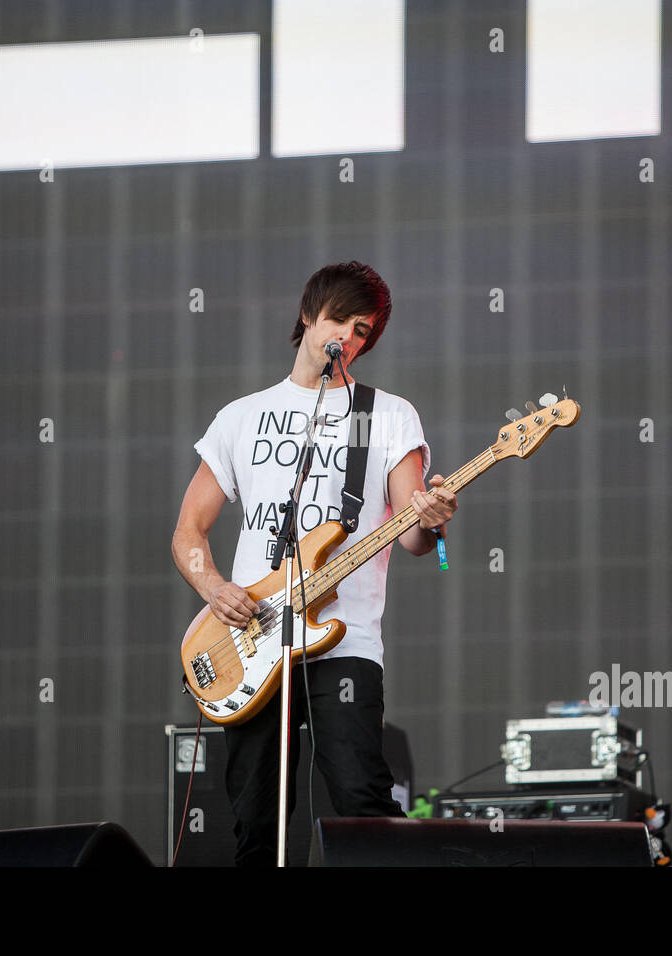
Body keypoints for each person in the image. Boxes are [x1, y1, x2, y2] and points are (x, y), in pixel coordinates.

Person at [171, 261, 458, 866]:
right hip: (252, 637)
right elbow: (188, 531)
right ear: (308, 315)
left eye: (362, 330)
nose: (347, 338)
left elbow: (411, 536)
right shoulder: (241, 417)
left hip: (345, 640)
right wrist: (215, 588)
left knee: (363, 801)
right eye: (339, 321)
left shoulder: (386, 415)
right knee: (256, 821)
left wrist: (432, 520)